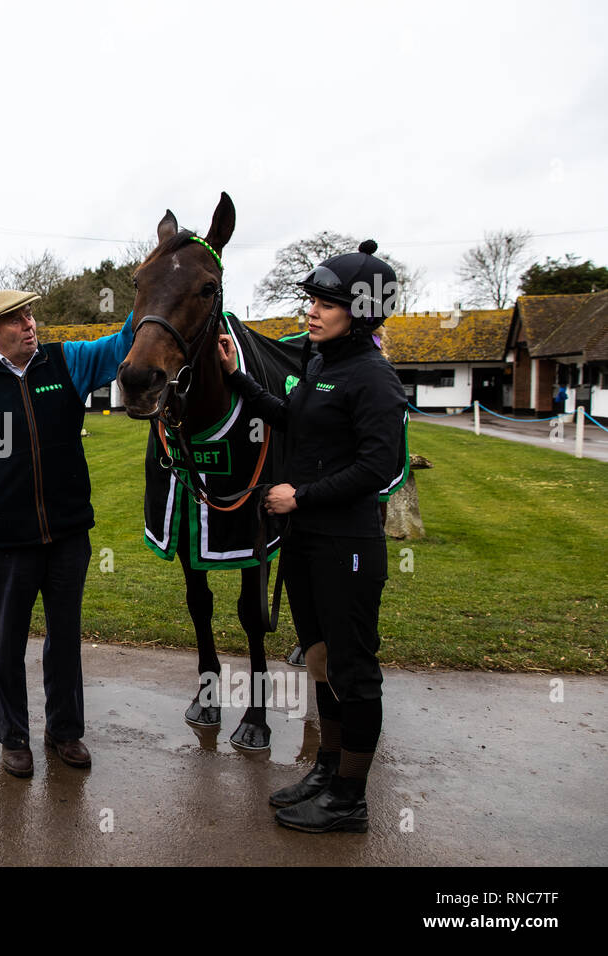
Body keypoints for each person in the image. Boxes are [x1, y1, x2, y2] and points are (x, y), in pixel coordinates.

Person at [217, 240, 407, 832]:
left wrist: (301, 495)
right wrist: (237, 377)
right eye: (313, 299)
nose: (313, 310)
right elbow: (290, 416)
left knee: (353, 669)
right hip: (306, 542)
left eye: (327, 302)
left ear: (363, 312)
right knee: (320, 660)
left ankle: (350, 796)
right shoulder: (320, 365)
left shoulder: (373, 378)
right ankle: (327, 768)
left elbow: (379, 468)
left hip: (346, 546)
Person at [0, 290, 133, 778]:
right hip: (4, 541)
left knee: (64, 639)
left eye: (29, 314)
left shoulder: (66, 361)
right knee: (6, 644)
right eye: (15, 319)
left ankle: (65, 732)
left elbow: (126, 341)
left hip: (67, 534)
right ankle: (14, 737)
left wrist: (156, 286)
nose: (29, 323)